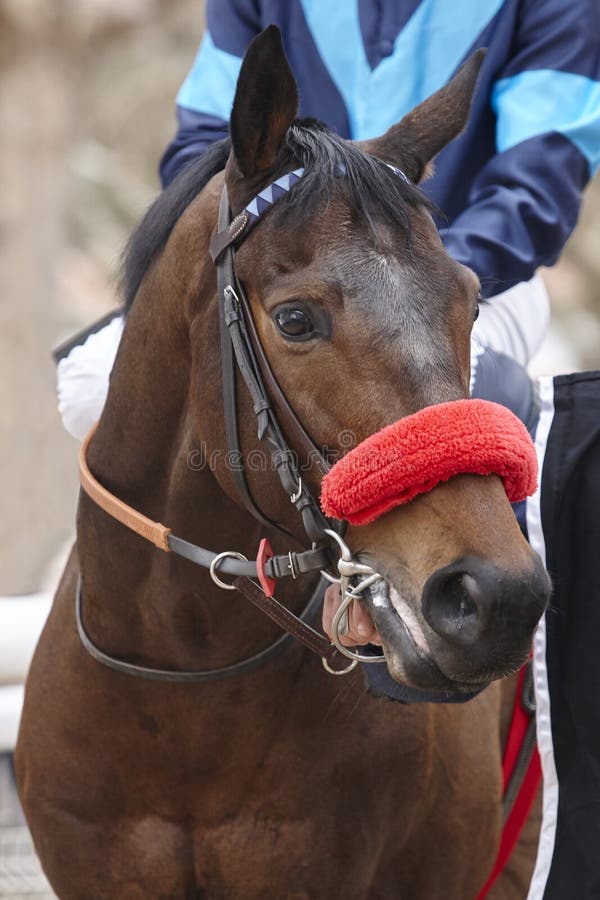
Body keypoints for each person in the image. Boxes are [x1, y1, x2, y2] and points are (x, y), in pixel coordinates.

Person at [55, 3, 600, 897]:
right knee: (90, 386)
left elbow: (542, 170)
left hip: (458, 269)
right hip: (275, 256)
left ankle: (506, 723)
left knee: (507, 416)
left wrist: (398, 276)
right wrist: (309, 243)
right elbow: (204, 136)